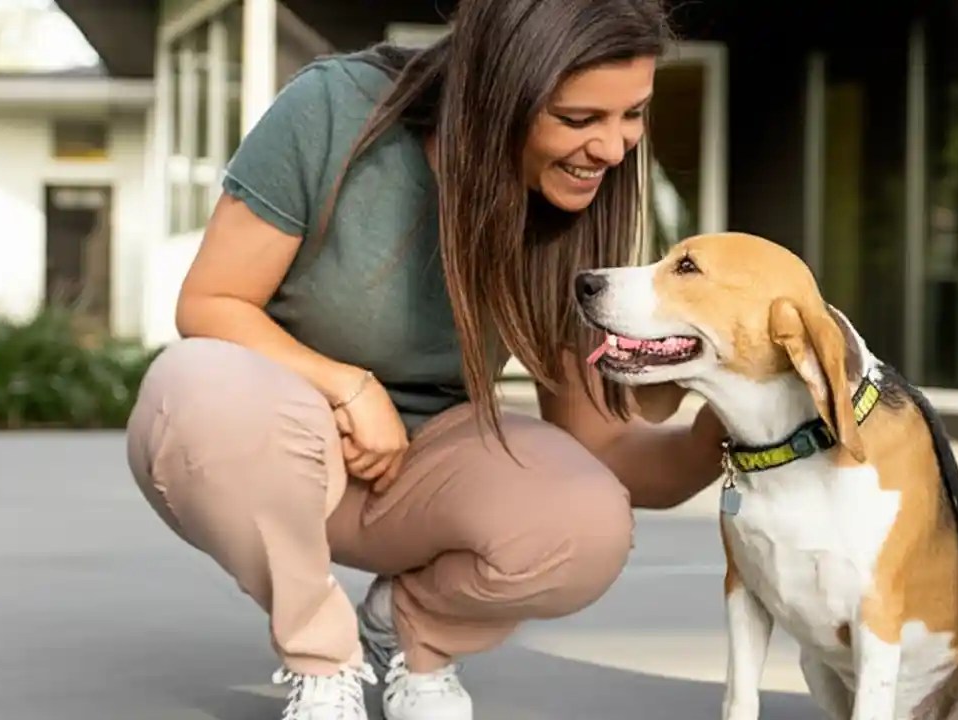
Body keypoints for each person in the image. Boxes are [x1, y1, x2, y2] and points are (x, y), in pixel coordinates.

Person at [124, 0, 727, 718]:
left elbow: (600, 445)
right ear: (492, 92)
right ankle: (323, 660)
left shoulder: (581, 196)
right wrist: (347, 388)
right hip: (272, 452)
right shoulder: (334, 110)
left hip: (420, 477)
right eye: (578, 119)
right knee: (202, 389)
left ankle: (411, 634)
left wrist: (722, 426)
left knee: (586, 520)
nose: (614, 147)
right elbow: (210, 303)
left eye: (633, 114)